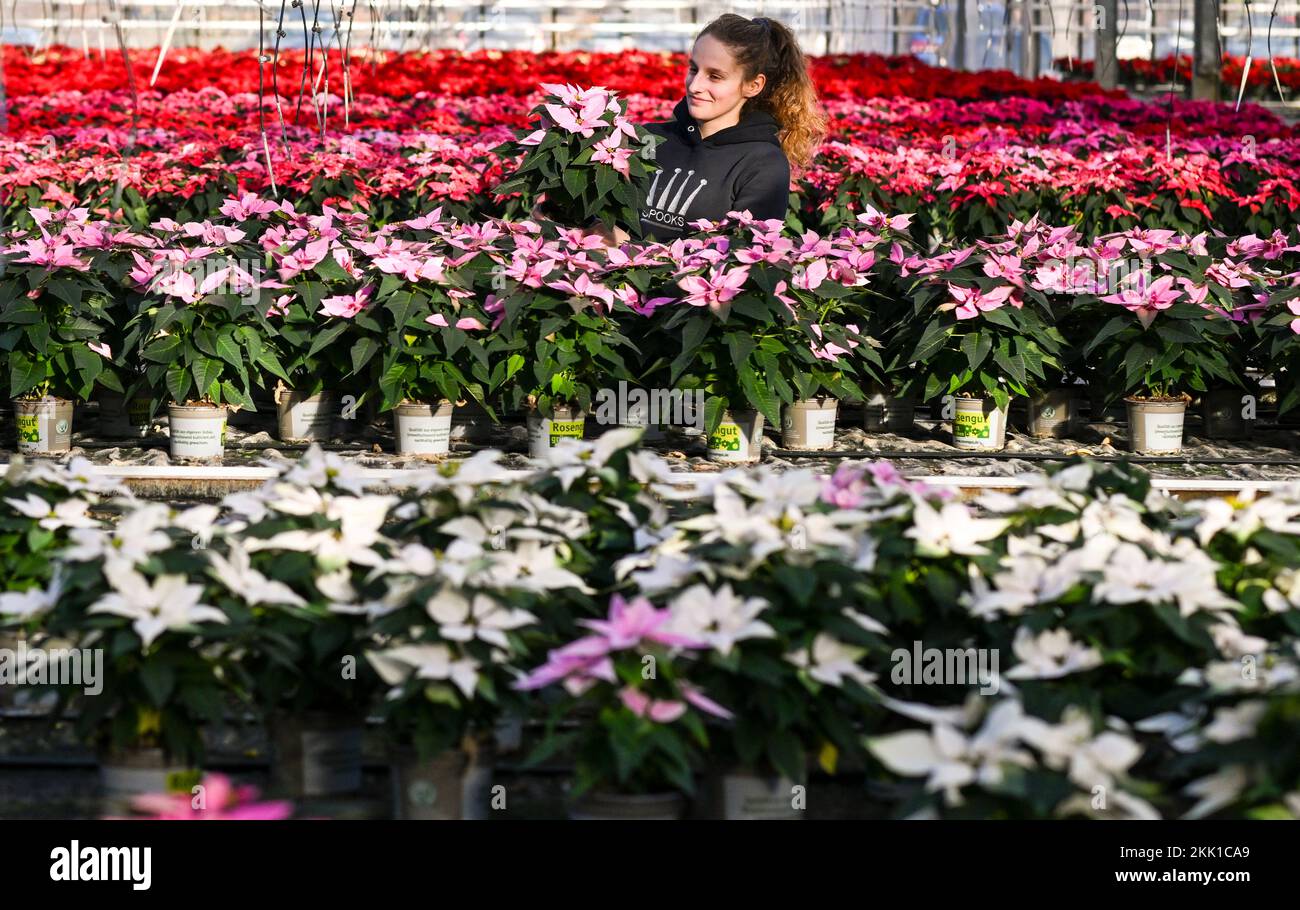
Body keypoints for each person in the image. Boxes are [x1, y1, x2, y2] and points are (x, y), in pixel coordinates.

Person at [628, 14, 828, 244]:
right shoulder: (649, 138)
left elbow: (740, 256)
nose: (695, 86)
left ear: (753, 85)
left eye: (715, 76)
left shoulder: (762, 164)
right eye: (694, 69)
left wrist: (627, 246)